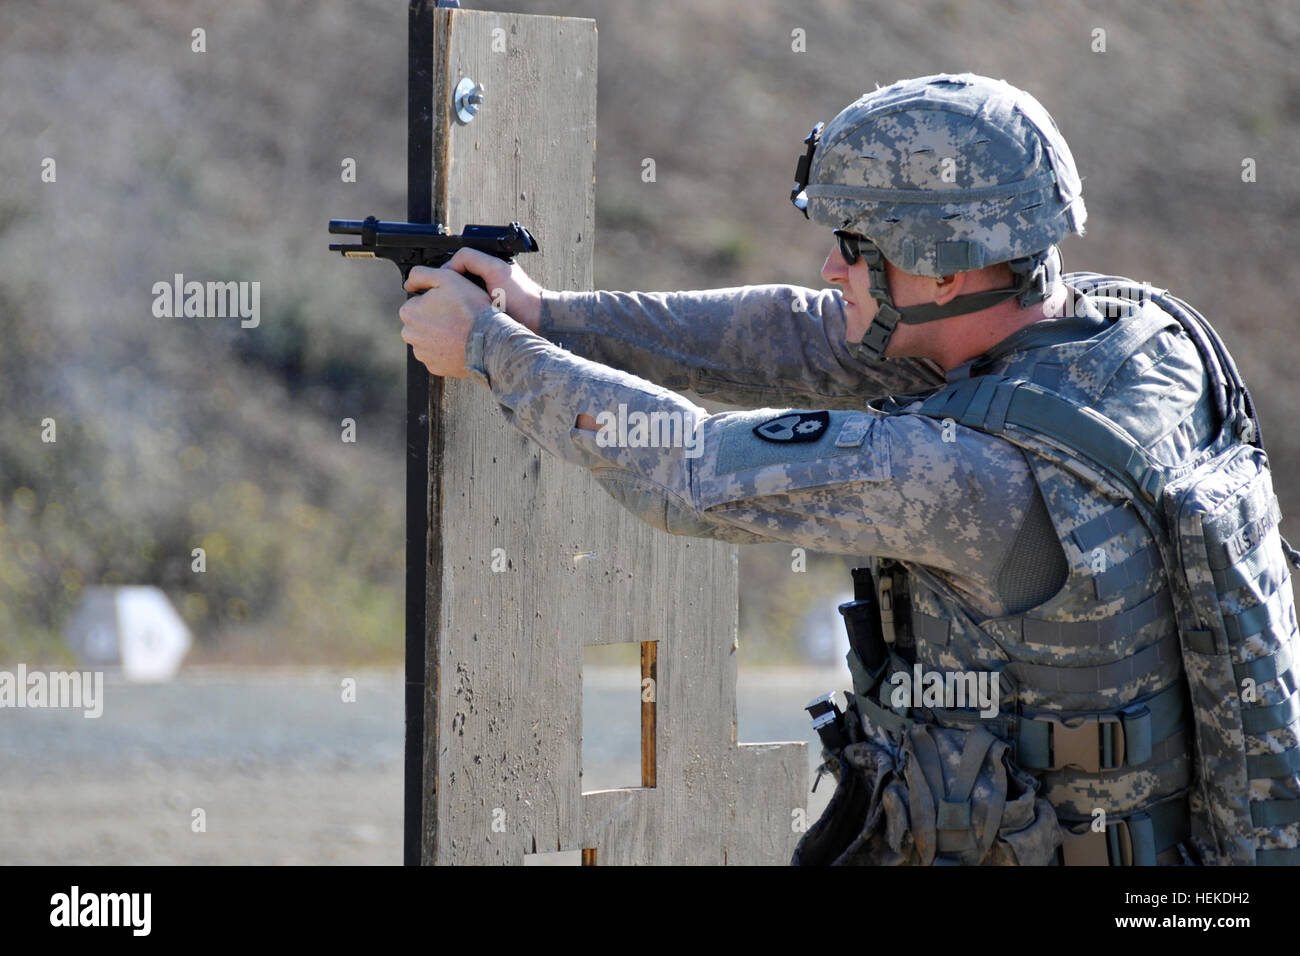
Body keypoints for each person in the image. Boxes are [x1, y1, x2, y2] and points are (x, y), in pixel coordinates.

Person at [395, 73, 1300, 865]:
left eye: (858, 247)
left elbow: (691, 470)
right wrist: (552, 318)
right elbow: (811, 333)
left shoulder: (966, 477)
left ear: (946, 273)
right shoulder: (1138, 343)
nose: (832, 267)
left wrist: (490, 351)